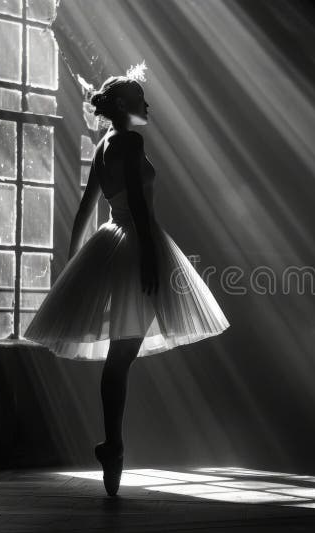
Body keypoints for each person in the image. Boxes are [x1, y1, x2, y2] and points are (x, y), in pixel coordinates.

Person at [22, 64, 231, 497]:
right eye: (141, 100)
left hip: (112, 242)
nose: (148, 106)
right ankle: (113, 445)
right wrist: (151, 257)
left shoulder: (103, 145)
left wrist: (73, 260)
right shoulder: (132, 141)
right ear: (124, 106)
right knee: (121, 356)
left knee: (121, 356)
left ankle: (113, 447)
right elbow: (136, 200)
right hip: (137, 243)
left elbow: (84, 209)